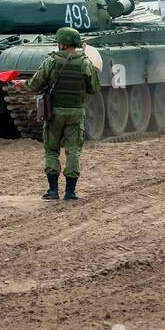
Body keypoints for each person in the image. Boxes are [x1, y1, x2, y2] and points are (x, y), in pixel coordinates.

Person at [20, 27, 100, 201]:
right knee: (73, 151)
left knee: (51, 151)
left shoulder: (52, 61)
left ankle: (53, 190)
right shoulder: (85, 62)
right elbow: (93, 88)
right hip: (76, 112)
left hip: (54, 112)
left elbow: (35, 84)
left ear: (61, 43)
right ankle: (70, 192)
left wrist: (22, 84)